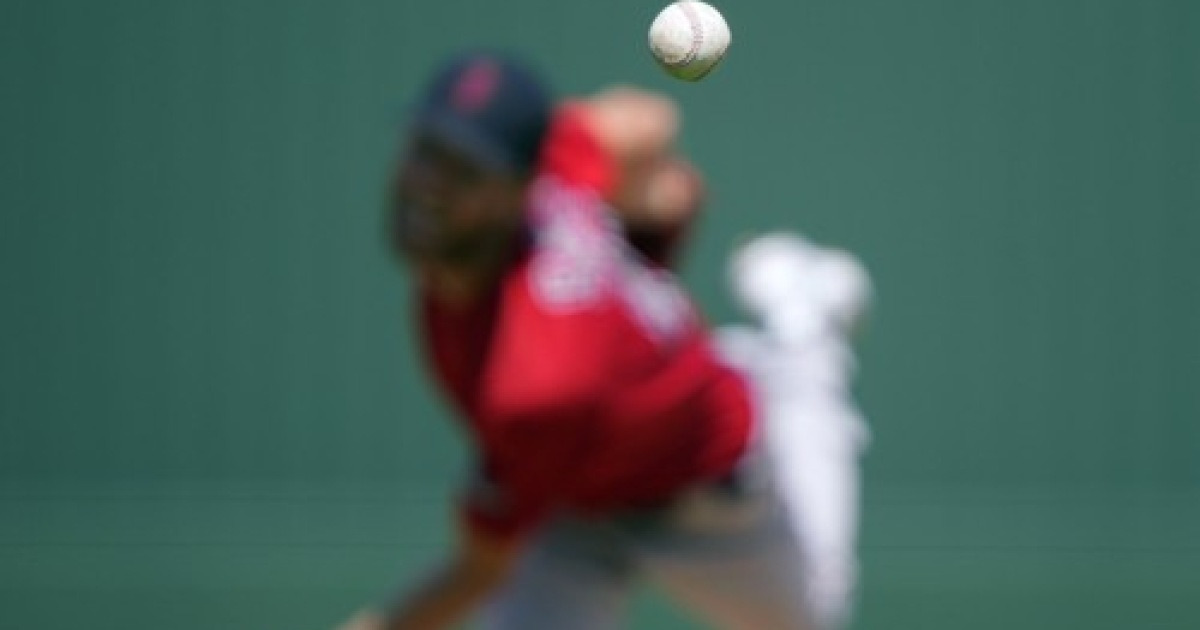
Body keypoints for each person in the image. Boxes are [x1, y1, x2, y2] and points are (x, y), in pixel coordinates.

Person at [337, 49, 870, 630]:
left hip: (701, 490)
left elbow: (477, 569)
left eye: (463, 170)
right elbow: (648, 118)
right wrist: (653, 187)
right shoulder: (552, 170)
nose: (426, 185)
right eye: (425, 151)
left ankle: (802, 337)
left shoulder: (537, 381)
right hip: (576, 495)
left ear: (517, 190)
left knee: (815, 615)